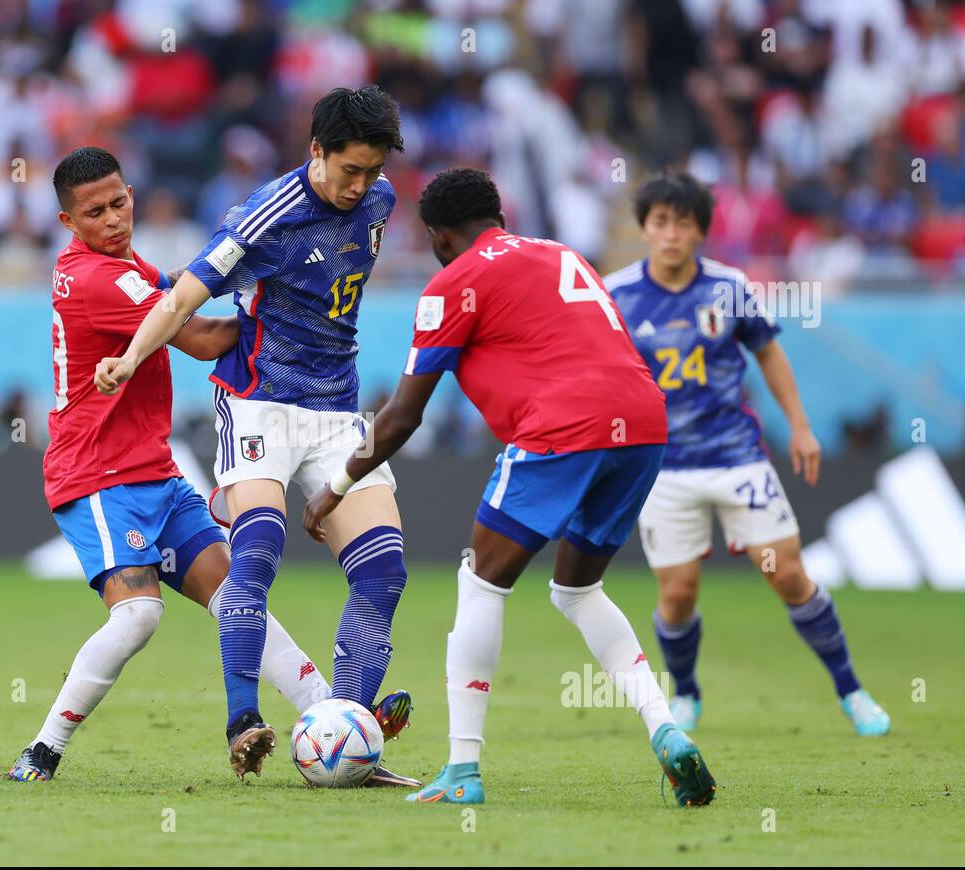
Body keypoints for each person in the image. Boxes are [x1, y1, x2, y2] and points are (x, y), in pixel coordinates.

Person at [303, 168, 717, 807]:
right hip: (642, 422)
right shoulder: (561, 254)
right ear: (495, 215)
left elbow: (401, 416)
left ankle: (463, 773)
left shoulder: (452, 282)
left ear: (439, 236)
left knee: (481, 582)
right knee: (579, 591)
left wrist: (335, 487)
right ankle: (665, 729)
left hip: (563, 424)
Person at [6, 147, 408, 786]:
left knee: (236, 599)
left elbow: (188, 317)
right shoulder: (95, 279)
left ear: (131, 193)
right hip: (95, 474)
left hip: (156, 474)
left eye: (119, 202)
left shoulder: (130, 267)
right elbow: (199, 340)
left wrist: (266, 307)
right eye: (94, 212)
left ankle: (333, 724)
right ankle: (43, 750)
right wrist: (280, 306)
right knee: (138, 615)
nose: (112, 218)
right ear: (67, 222)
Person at [604, 170, 889, 736]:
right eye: (660, 221)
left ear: (700, 231)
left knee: (786, 574)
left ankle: (851, 690)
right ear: (644, 227)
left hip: (737, 457)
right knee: (678, 592)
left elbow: (770, 355)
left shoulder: (728, 288)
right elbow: (599, 374)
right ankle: (686, 693)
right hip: (662, 467)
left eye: (683, 222)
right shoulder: (615, 294)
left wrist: (801, 427)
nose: (670, 233)